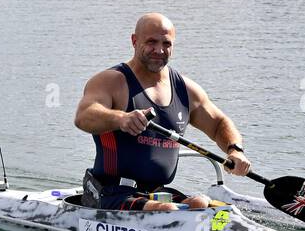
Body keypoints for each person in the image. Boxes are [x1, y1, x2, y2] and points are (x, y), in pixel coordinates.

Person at [74, 13, 251, 212]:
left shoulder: (186, 89)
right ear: (134, 41)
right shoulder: (112, 81)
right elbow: (84, 116)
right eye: (151, 42)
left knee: (202, 204)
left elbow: (219, 123)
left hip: (157, 193)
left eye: (166, 43)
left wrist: (235, 150)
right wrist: (121, 118)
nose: (159, 50)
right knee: (170, 211)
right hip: (110, 193)